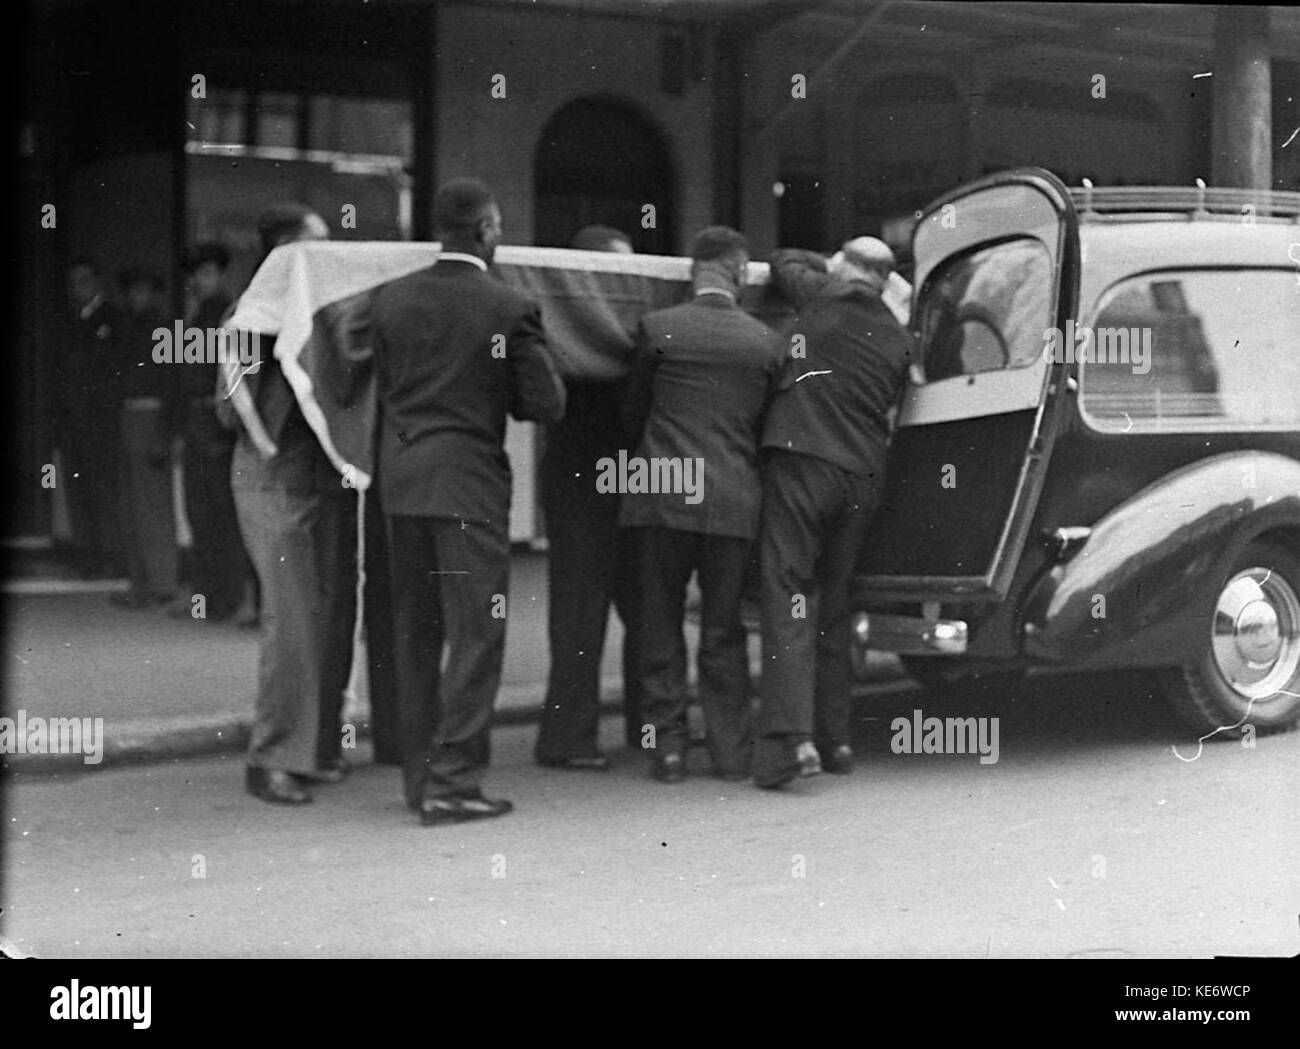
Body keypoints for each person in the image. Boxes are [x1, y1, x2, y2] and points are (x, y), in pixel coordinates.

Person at [373, 178, 565, 826]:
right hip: (468, 488)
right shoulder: (509, 306)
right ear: (485, 230)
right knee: (476, 634)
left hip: (401, 483)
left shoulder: (391, 300)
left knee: (414, 631)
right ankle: (455, 783)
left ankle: (420, 778)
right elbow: (545, 403)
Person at [620, 226, 786, 783]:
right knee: (722, 630)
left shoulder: (657, 329)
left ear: (695, 271)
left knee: (659, 621)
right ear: (739, 274)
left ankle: (667, 748)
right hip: (733, 500)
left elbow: (632, 413)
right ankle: (730, 752)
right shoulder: (765, 343)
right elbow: (766, 429)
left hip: (661, 495)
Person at [752, 236, 916, 789]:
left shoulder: (823, 293)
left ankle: (786, 743)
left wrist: (830, 265)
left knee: (788, 593)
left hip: (803, 462)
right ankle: (835, 739)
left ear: (845, 268)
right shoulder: (898, 337)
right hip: (863, 476)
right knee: (836, 605)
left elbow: (783, 260)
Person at [226, 203, 357, 806]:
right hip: (274, 475)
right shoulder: (248, 315)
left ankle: (317, 747)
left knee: (330, 619)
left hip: (325, 475)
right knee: (293, 619)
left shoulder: (326, 311)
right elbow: (231, 407)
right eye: (316, 246)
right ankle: (273, 758)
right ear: (284, 254)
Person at [534, 224, 644, 772]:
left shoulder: (561, 327)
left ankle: (598, 731)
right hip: (593, 479)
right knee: (588, 612)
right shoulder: (619, 327)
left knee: (610, 608)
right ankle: (570, 738)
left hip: (599, 477)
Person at [170, 243, 248, 622]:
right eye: (194, 275)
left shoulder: (230, 315)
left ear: (220, 275)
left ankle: (226, 599)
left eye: (206, 274)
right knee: (200, 515)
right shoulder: (197, 315)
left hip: (217, 424)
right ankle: (207, 601)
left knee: (221, 517)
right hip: (196, 423)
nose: (198, 282)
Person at [110, 268, 180, 608]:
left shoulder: (166, 330)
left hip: (152, 416)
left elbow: (172, 386)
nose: (137, 297)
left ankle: (162, 583)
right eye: (132, 291)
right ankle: (140, 584)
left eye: (144, 291)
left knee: (152, 504)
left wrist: (163, 433)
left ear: (156, 294)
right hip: (128, 414)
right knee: (132, 505)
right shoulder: (128, 329)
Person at [57, 260, 125, 578]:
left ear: (97, 282)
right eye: (73, 282)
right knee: (80, 490)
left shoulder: (111, 318)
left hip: (102, 422)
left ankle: (110, 556)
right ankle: (89, 556)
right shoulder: (68, 321)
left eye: (84, 280)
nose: (78, 288)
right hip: (75, 422)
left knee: (104, 490)